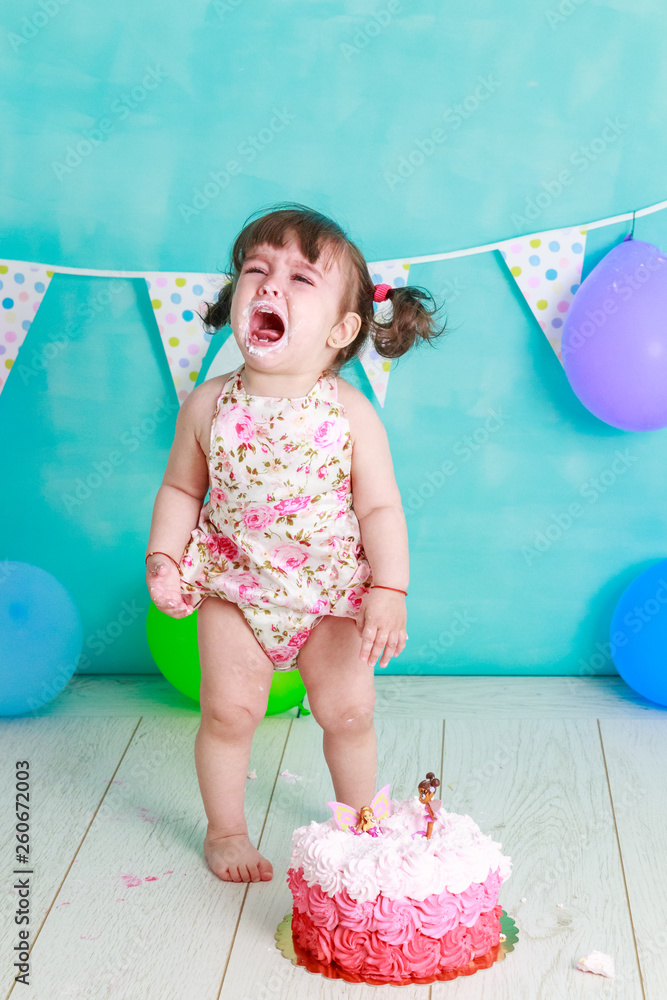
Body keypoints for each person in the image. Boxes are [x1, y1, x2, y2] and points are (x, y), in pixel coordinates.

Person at [144, 202, 446, 884]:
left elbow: (378, 506)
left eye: (299, 279)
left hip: (330, 592)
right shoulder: (208, 405)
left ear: (342, 328)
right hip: (234, 586)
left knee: (347, 711)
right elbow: (180, 492)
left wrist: (389, 589)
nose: (270, 285)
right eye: (257, 270)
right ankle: (225, 832)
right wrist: (163, 556)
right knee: (226, 713)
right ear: (237, 300)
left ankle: (360, 826)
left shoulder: (348, 412)